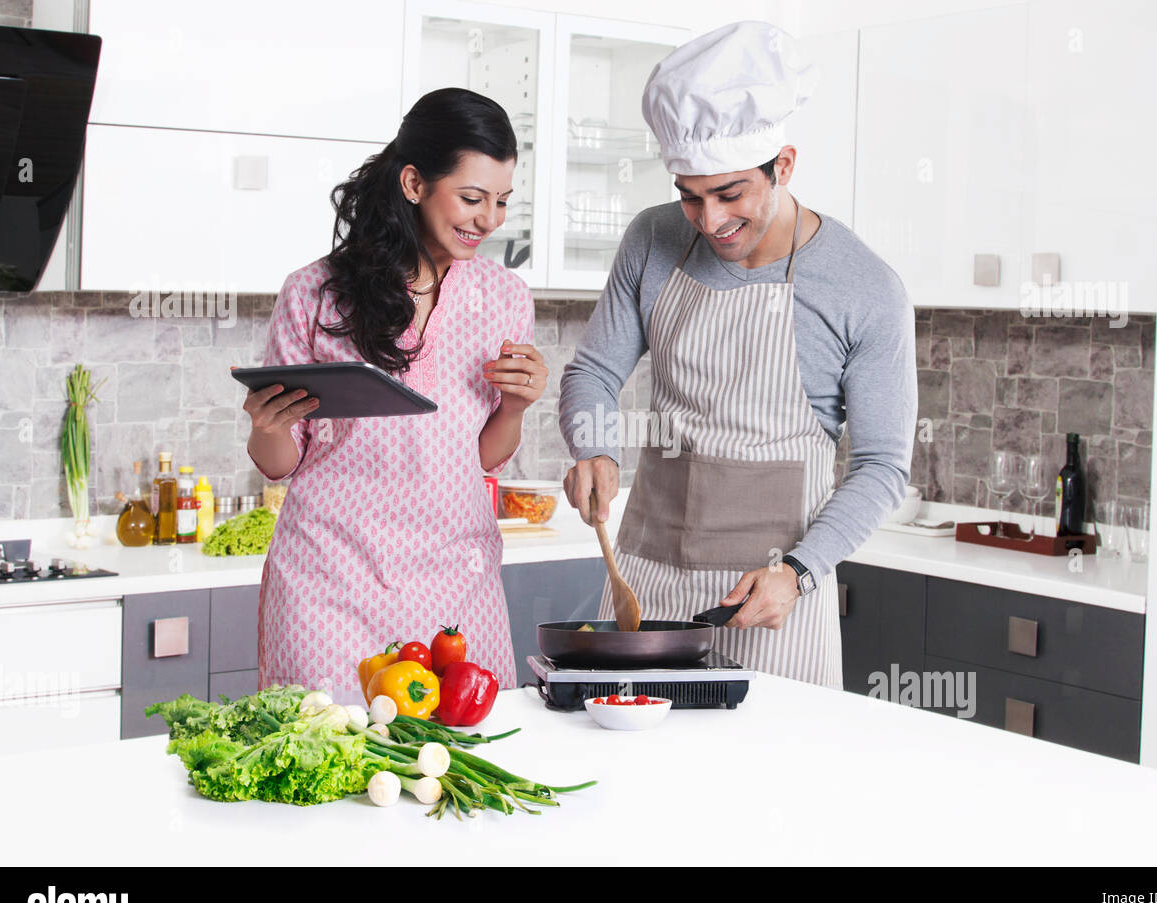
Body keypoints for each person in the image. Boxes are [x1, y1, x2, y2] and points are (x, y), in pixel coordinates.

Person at [558, 22, 917, 688]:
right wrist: (595, 448)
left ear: (783, 165)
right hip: (646, 583)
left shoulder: (864, 287)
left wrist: (798, 574)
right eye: (690, 197)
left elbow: (881, 465)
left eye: (730, 194)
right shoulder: (653, 241)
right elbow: (594, 373)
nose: (709, 220)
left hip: (775, 603)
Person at [242, 88, 548, 700]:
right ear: (413, 183)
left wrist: (515, 405)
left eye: (502, 201)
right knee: (336, 769)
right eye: (471, 197)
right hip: (331, 583)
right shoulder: (314, 293)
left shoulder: (505, 297)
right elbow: (280, 465)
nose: (489, 220)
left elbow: (485, 458)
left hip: (458, 589)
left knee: (464, 775)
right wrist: (269, 424)